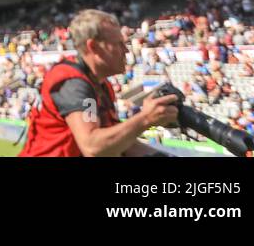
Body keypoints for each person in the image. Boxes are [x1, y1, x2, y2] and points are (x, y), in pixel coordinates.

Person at [19, 9, 178, 157]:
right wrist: (145, 119)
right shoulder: (72, 82)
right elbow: (92, 146)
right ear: (93, 47)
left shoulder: (101, 85)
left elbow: (121, 144)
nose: (126, 50)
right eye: (118, 44)